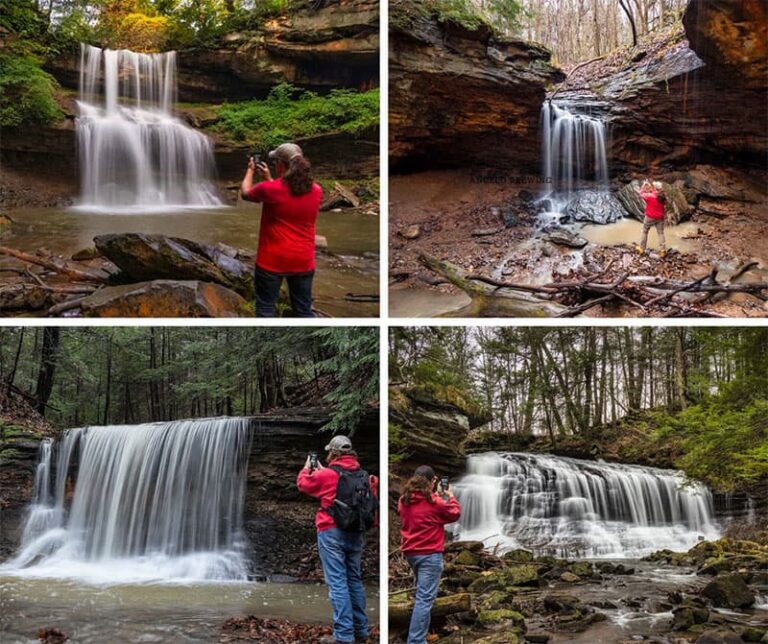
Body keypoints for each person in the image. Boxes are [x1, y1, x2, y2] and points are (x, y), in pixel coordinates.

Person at [297, 435, 379, 644]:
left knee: (338, 583)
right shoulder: (365, 476)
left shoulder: (328, 475)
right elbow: (373, 508)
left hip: (331, 532)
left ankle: (343, 635)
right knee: (354, 580)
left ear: (333, 453)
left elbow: (304, 484)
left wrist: (308, 468)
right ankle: (360, 630)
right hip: (357, 533)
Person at [241, 142, 323, 317]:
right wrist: (269, 179)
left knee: (265, 308)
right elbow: (287, 196)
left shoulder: (270, 189)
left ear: (280, 165)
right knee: (303, 310)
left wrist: (250, 170)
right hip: (303, 260)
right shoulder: (316, 190)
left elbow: (245, 193)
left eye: (275, 162)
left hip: (272, 261)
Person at [398, 465, 462, 644]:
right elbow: (454, 514)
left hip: (411, 553)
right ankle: (416, 640)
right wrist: (450, 496)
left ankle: (418, 636)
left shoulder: (404, 500)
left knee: (422, 596)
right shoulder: (435, 502)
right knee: (424, 600)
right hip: (429, 555)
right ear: (433, 481)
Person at [636, 179, 667, 258]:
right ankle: (662, 250)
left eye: (653, 187)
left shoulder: (650, 197)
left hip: (650, 217)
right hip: (660, 217)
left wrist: (643, 186)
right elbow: (655, 193)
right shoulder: (663, 197)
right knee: (660, 233)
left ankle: (642, 248)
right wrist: (650, 187)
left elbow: (641, 194)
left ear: (655, 188)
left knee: (645, 231)